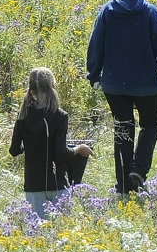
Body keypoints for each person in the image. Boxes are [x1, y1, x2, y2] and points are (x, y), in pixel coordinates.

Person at [87, 0, 157, 194]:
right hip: (146, 84)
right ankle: (138, 170)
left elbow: (96, 45)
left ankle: (122, 183)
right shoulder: (150, 12)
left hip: (114, 83)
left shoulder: (107, 11)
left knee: (123, 129)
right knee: (150, 126)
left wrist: (94, 73)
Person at [9, 67, 95, 219]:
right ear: (51, 87)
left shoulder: (23, 116)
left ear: (31, 90)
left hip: (33, 183)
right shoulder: (60, 115)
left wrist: (29, 144)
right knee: (63, 231)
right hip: (57, 182)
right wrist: (79, 149)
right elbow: (61, 153)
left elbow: (14, 150)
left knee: (37, 233)